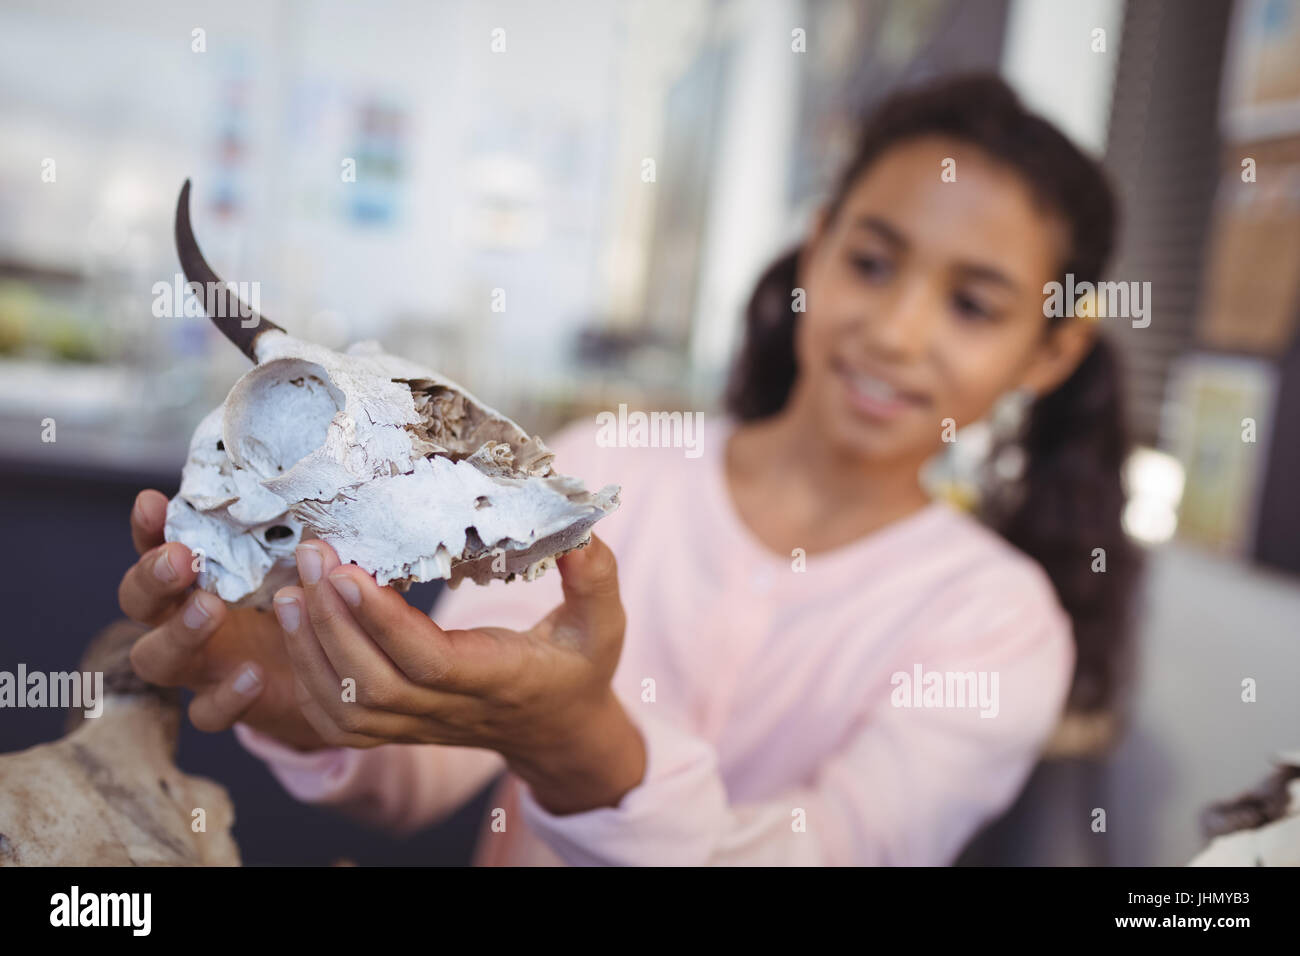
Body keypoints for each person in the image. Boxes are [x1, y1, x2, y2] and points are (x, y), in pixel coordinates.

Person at [118, 74, 1139, 865]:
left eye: (973, 304)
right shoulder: (612, 465)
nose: (899, 330)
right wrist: (277, 680)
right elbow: (421, 752)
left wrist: (580, 741)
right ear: (816, 250)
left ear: (1050, 349)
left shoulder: (1000, 626)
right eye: (872, 263)